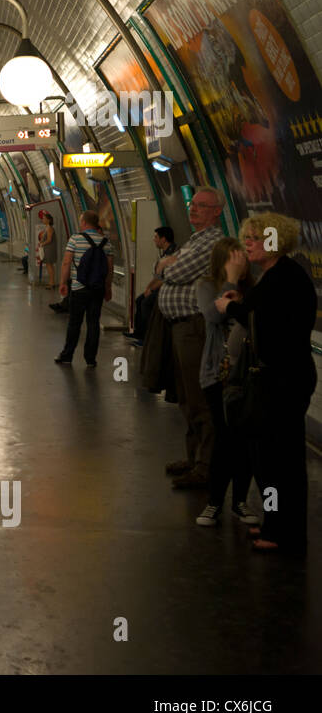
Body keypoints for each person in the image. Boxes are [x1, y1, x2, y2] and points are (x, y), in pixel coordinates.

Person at [215, 213, 317, 552]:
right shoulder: (277, 276)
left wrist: (230, 302)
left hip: (282, 381)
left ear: (275, 241)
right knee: (271, 460)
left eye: (255, 239)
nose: (248, 244)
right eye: (246, 238)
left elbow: (263, 325)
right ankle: (275, 523)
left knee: (278, 462)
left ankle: (284, 533)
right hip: (282, 377)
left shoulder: (282, 279)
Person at [156, 187, 225, 488]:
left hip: (194, 328)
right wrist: (165, 266)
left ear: (217, 211)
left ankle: (206, 466)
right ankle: (193, 456)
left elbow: (173, 273)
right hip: (179, 327)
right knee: (185, 396)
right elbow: (164, 269)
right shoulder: (195, 240)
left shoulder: (213, 243)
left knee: (200, 397)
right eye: (192, 204)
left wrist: (166, 266)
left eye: (202, 206)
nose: (193, 209)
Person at [193, 237, 257, 528]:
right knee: (224, 436)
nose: (241, 262)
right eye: (234, 258)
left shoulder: (254, 290)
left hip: (246, 376)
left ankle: (240, 501)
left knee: (245, 439)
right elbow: (212, 315)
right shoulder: (207, 286)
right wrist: (229, 280)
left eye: (243, 257)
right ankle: (214, 501)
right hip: (216, 374)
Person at [54, 211, 114, 366]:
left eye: (81, 222)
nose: (80, 224)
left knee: (74, 323)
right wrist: (108, 287)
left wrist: (62, 282)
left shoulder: (75, 239)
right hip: (97, 289)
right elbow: (109, 268)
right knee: (93, 323)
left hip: (79, 288)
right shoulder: (106, 242)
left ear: (85, 223)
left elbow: (67, 263)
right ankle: (90, 359)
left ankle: (67, 355)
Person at [124, 227, 178, 345]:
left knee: (146, 304)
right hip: (160, 287)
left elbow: (166, 278)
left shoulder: (173, 254)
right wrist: (148, 288)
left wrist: (152, 289)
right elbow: (157, 276)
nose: (154, 240)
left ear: (163, 239)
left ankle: (149, 338)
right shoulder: (165, 253)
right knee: (139, 300)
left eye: (156, 237)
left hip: (168, 289)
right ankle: (140, 333)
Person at [36, 211, 59, 290]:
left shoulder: (49, 228)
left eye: (44, 219)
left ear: (49, 220)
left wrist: (42, 244)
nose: (43, 220)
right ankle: (51, 282)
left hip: (50, 249)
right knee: (49, 266)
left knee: (50, 266)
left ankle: (52, 283)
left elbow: (49, 239)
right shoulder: (47, 228)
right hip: (48, 249)